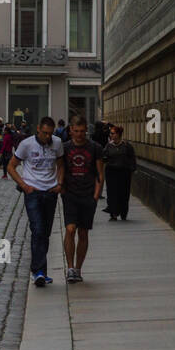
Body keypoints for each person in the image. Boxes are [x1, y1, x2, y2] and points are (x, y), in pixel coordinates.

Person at [8, 116, 63, 287]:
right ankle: (38, 271)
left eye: (50, 134)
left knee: (45, 232)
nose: (47, 137)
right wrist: (24, 185)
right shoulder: (26, 144)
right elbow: (11, 166)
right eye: (44, 133)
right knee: (37, 229)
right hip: (33, 192)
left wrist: (60, 184)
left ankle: (40, 271)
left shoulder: (57, 143)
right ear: (38, 129)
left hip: (51, 192)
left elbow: (61, 164)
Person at [58, 116, 104, 283]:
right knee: (70, 229)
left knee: (83, 232)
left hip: (88, 194)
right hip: (70, 194)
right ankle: (70, 268)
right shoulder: (64, 148)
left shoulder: (95, 148)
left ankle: (78, 268)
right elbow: (60, 168)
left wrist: (96, 195)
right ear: (70, 130)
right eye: (76, 131)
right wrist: (61, 187)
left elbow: (100, 173)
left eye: (82, 131)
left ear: (86, 130)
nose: (79, 134)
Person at [103, 125, 137, 220]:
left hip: (124, 172)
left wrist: (132, 168)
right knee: (112, 192)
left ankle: (123, 212)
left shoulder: (126, 146)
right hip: (111, 172)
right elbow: (104, 156)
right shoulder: (109, 146)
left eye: (113, 133)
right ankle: (113, 213)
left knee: (124, 193)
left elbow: (132, 158)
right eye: (111, 133)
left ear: (118, 134)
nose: (111, 135)